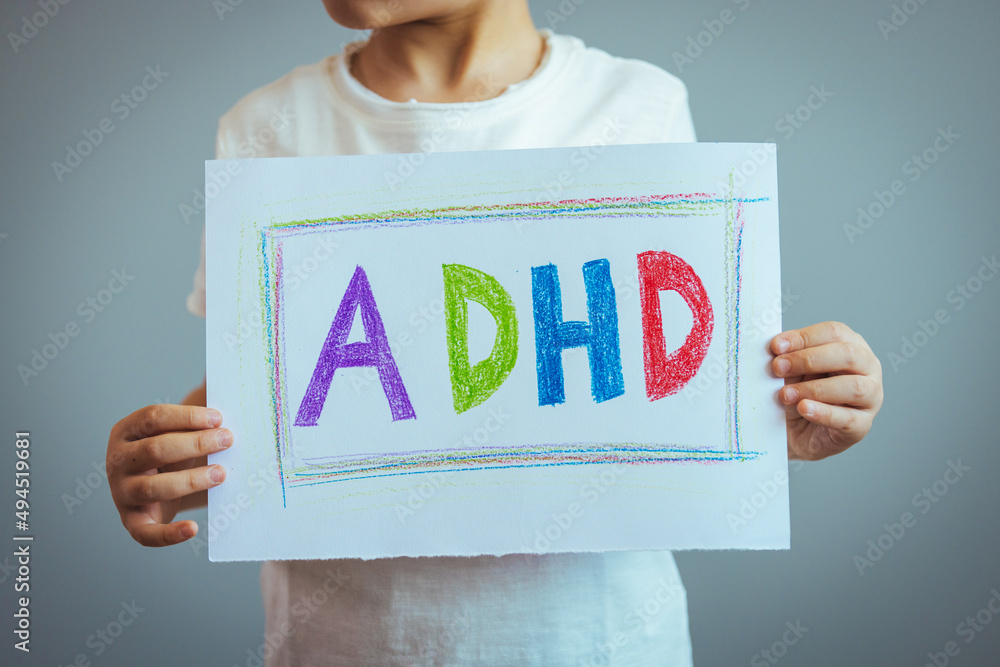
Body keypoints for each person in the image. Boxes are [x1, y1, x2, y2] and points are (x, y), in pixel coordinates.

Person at [106, 1, 884, 664]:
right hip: (342, 644)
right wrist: (163, 460)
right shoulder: (264, 127)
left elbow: (665, 374)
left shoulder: (637, 104)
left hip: (600, 641)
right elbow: (284, 382)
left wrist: (802, 406)